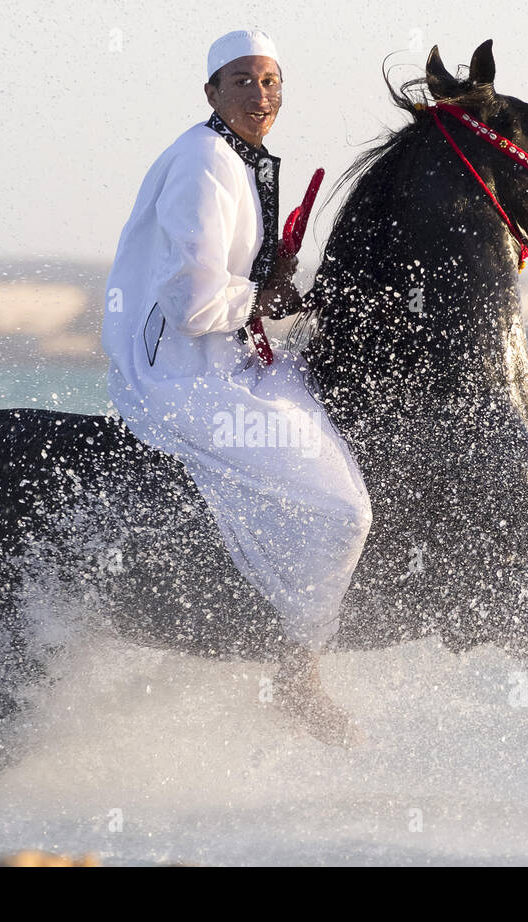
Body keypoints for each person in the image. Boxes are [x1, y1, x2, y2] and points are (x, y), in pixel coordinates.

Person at [101, 29, 372, 747]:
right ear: (212, 92)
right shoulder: (201, 163)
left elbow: (238, 284)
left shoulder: (234, 158)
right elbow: (194, 304)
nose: (261, 95)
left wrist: (273, 292)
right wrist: (264, 300)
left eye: (272, 81)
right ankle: (298, 671)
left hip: (233, 359)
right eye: (244, 81)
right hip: (185, 375)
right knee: (343, 511)